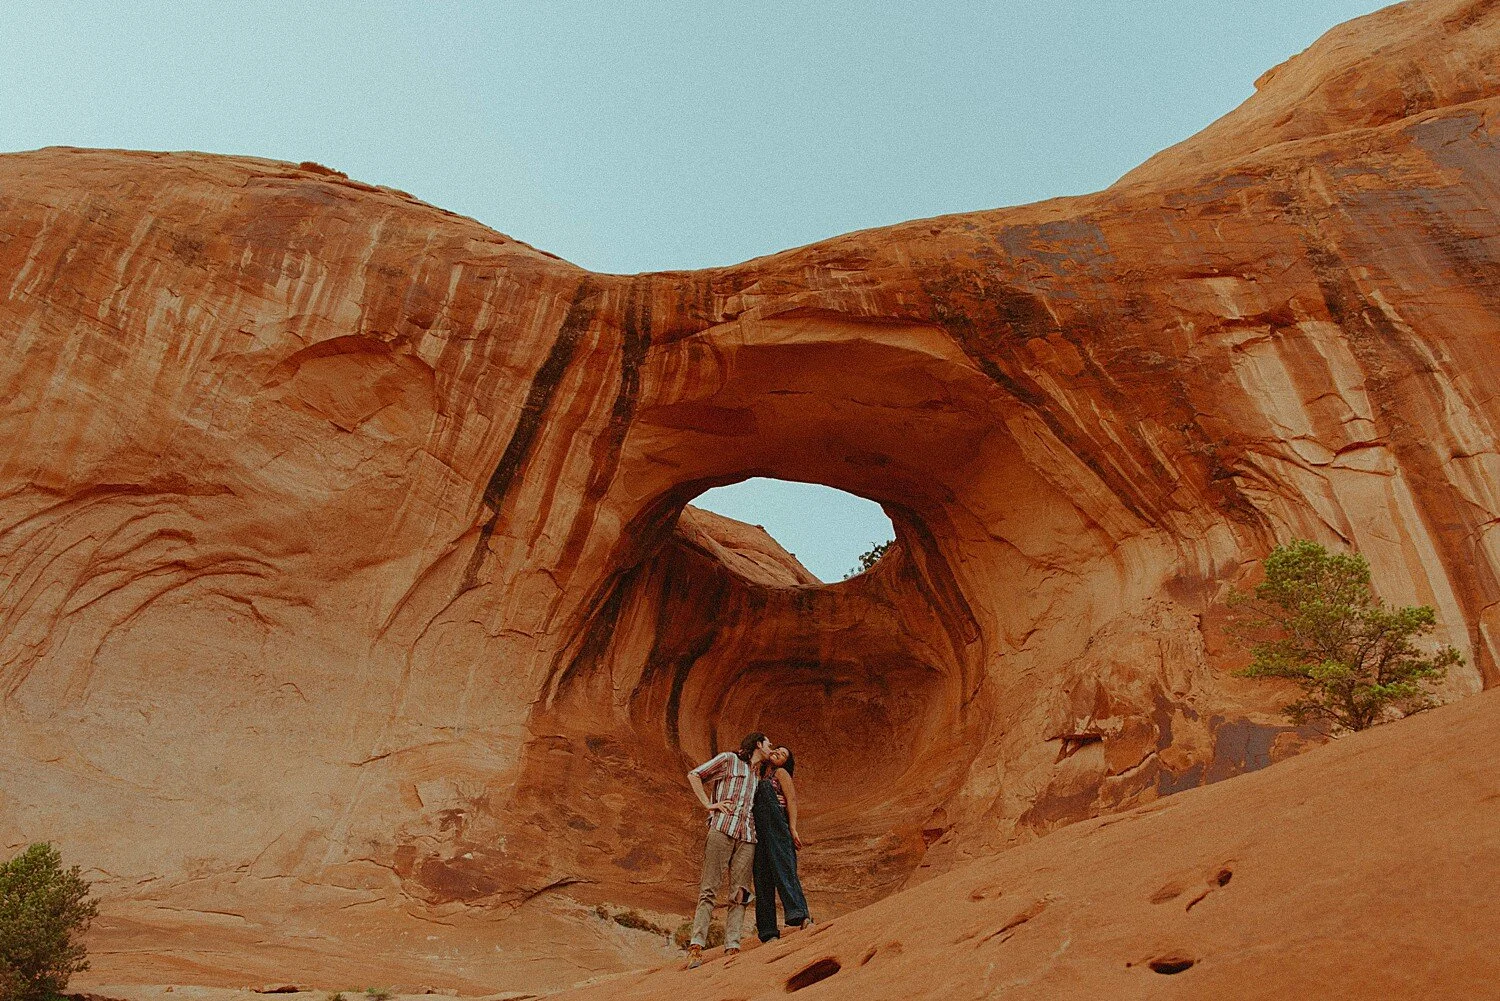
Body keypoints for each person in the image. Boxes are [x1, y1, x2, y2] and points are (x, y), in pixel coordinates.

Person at [684, 731, 771, 969]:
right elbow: (695, 775)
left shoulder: (756, 775)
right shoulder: (729, 760)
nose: (770, 748)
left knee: (740, 892)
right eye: (768, 744)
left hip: (746, 836)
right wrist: (708, 805)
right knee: (709, 888)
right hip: (722, 829)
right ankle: (696, 946)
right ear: (758, 745)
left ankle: (732, 945)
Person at [752, 744, 812, 942]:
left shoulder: (781, 773)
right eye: (777, 750)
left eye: (783, 754)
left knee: (785, 869)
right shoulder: (759, 776)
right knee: (762, 878)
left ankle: (801, 916)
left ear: (786, 762)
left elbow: (791, 800)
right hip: (758, 831)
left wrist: (792, 828)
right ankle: (768, 931)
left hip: (777, 826)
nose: (778, 753)